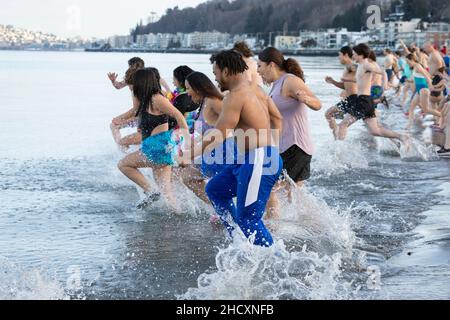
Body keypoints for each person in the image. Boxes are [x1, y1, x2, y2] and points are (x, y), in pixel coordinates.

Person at [186, 50, 283, 247]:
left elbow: (220, 132)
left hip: (258, 159)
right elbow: (277, 118)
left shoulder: (235, 96)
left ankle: (277, 262)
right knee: (215, 189)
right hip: (252, 158)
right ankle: (239, 239)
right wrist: (273, 150)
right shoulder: (257, 89)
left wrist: (190, 154)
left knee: (250, 219)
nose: (215, 79)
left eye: (216, 73)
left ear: (227, 71)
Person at [257, 47, 321, 219]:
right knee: (292, 195)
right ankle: (312, 226)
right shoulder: (276, 85)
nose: (258, 71)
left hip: (296, 146)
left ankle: (272, 230)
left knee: (268, 189)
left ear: (271, 65)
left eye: (260, 66)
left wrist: (305, 99)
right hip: (286, 146)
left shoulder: (290, 81)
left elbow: (317, 104)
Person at [117, 68, 189, 210]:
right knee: (166, 192)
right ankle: (178, 215)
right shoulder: (147, 99)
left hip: (157, 148)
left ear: (143, 82)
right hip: (158, 148)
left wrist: (186, 144)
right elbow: (137, 111)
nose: (134, 85)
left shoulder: (157, 99)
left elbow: (179, 116)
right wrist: (124, 120)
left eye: (136, 82)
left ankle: (150, 191)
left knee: (123, 165)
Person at [335, 44, 409, 145]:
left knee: (342, 125)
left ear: (361, 55)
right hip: (366, 100)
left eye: (355, 54)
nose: (353, 56)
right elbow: (359, 79)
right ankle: (401, 136)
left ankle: (338, 151)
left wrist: (385, 85)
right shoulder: (361, 66)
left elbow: (382, 72)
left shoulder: (366, 65)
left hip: (363, 101)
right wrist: (347, 79)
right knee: (375, 131)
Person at [324, 46, 359, 139]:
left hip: (356, 99)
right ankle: (336, 134)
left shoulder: (351, 66)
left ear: (346, 55)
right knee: (328, 114)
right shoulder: (346, 68)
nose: (338, 57)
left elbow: (360, 71)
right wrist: (333, 81)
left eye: (339, 55)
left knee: (342, 125)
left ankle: (339, 141)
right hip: (349, 99)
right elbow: (344, 86)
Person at [405, 53, 441, 129]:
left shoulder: (417, 66)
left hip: (423, 89)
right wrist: (408, 80)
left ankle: (442, 115)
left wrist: (430, 84)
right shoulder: (415, 68)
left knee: (426, 109)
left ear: (412, 60)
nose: (408, 64)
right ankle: (408, 126)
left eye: (408, 62)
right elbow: (418, 78)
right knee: (411, 107)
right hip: (419, 90)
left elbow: (426, 75)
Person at [167, 65, 200, 130]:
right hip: (195, 128)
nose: (173, 82)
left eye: (174, 79)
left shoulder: (182, 97)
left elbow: (174, 121)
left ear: (181, 80)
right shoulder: (195, 93)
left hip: (185, 131)